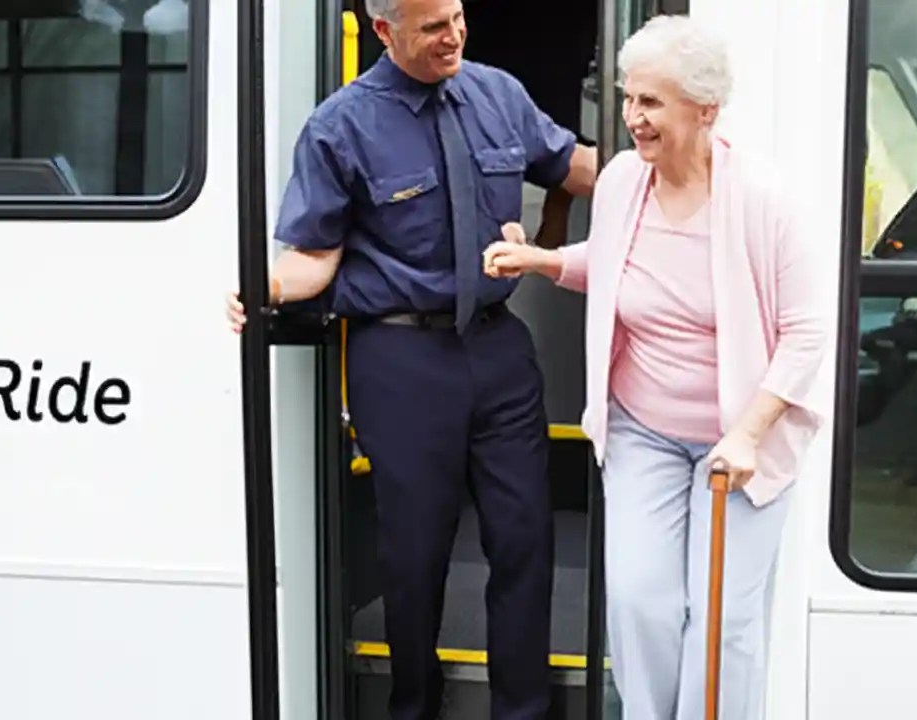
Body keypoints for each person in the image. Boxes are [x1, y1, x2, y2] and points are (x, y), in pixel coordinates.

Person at [226, 0, 597, 718]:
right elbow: (313, 259)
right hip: (399, 358)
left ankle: (522, 710)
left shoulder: (497, 93)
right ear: (385, 31)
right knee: (416, 557)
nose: (453, 35)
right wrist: (262, 286)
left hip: (497, 347)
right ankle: (414, 708)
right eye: (432, 27)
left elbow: (575, 166)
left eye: (457, 17)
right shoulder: (340, 126)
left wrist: (673, 159)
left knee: (525, 540)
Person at [482, 15, 831, 720]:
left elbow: (806, 333)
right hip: (646, 431)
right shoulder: (620, 183)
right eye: (629, 99)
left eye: (651, 104)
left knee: (723, 623)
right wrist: (546, 261)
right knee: (640, 603)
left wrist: (750, 430)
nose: (633, 120)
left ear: (705, 110)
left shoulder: (763, 201)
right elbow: (615, 267)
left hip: (743, 444)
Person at [461, 0, 598, 248]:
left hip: (555, 28)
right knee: (478, 108)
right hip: (492, 30)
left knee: (562, 116)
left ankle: (555, 214)